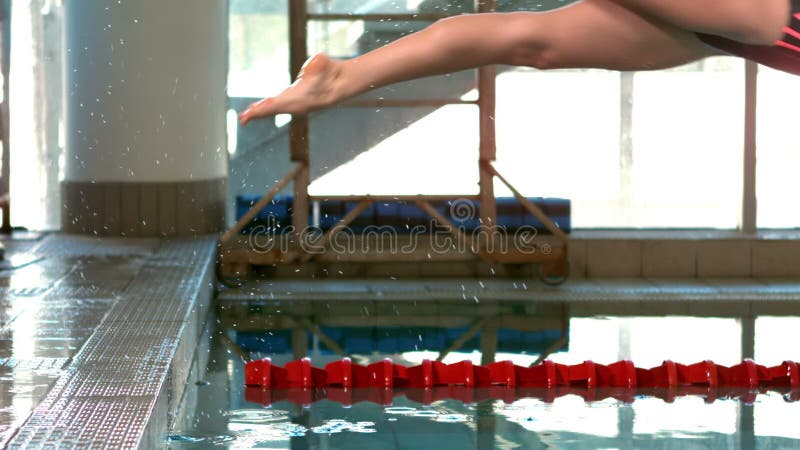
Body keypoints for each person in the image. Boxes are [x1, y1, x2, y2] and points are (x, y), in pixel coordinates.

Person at [239, 0, 800, 125]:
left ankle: (342, 76)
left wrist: (350, 78)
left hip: (749, 32)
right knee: (757, 19)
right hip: (764, 19)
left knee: (533, 45)